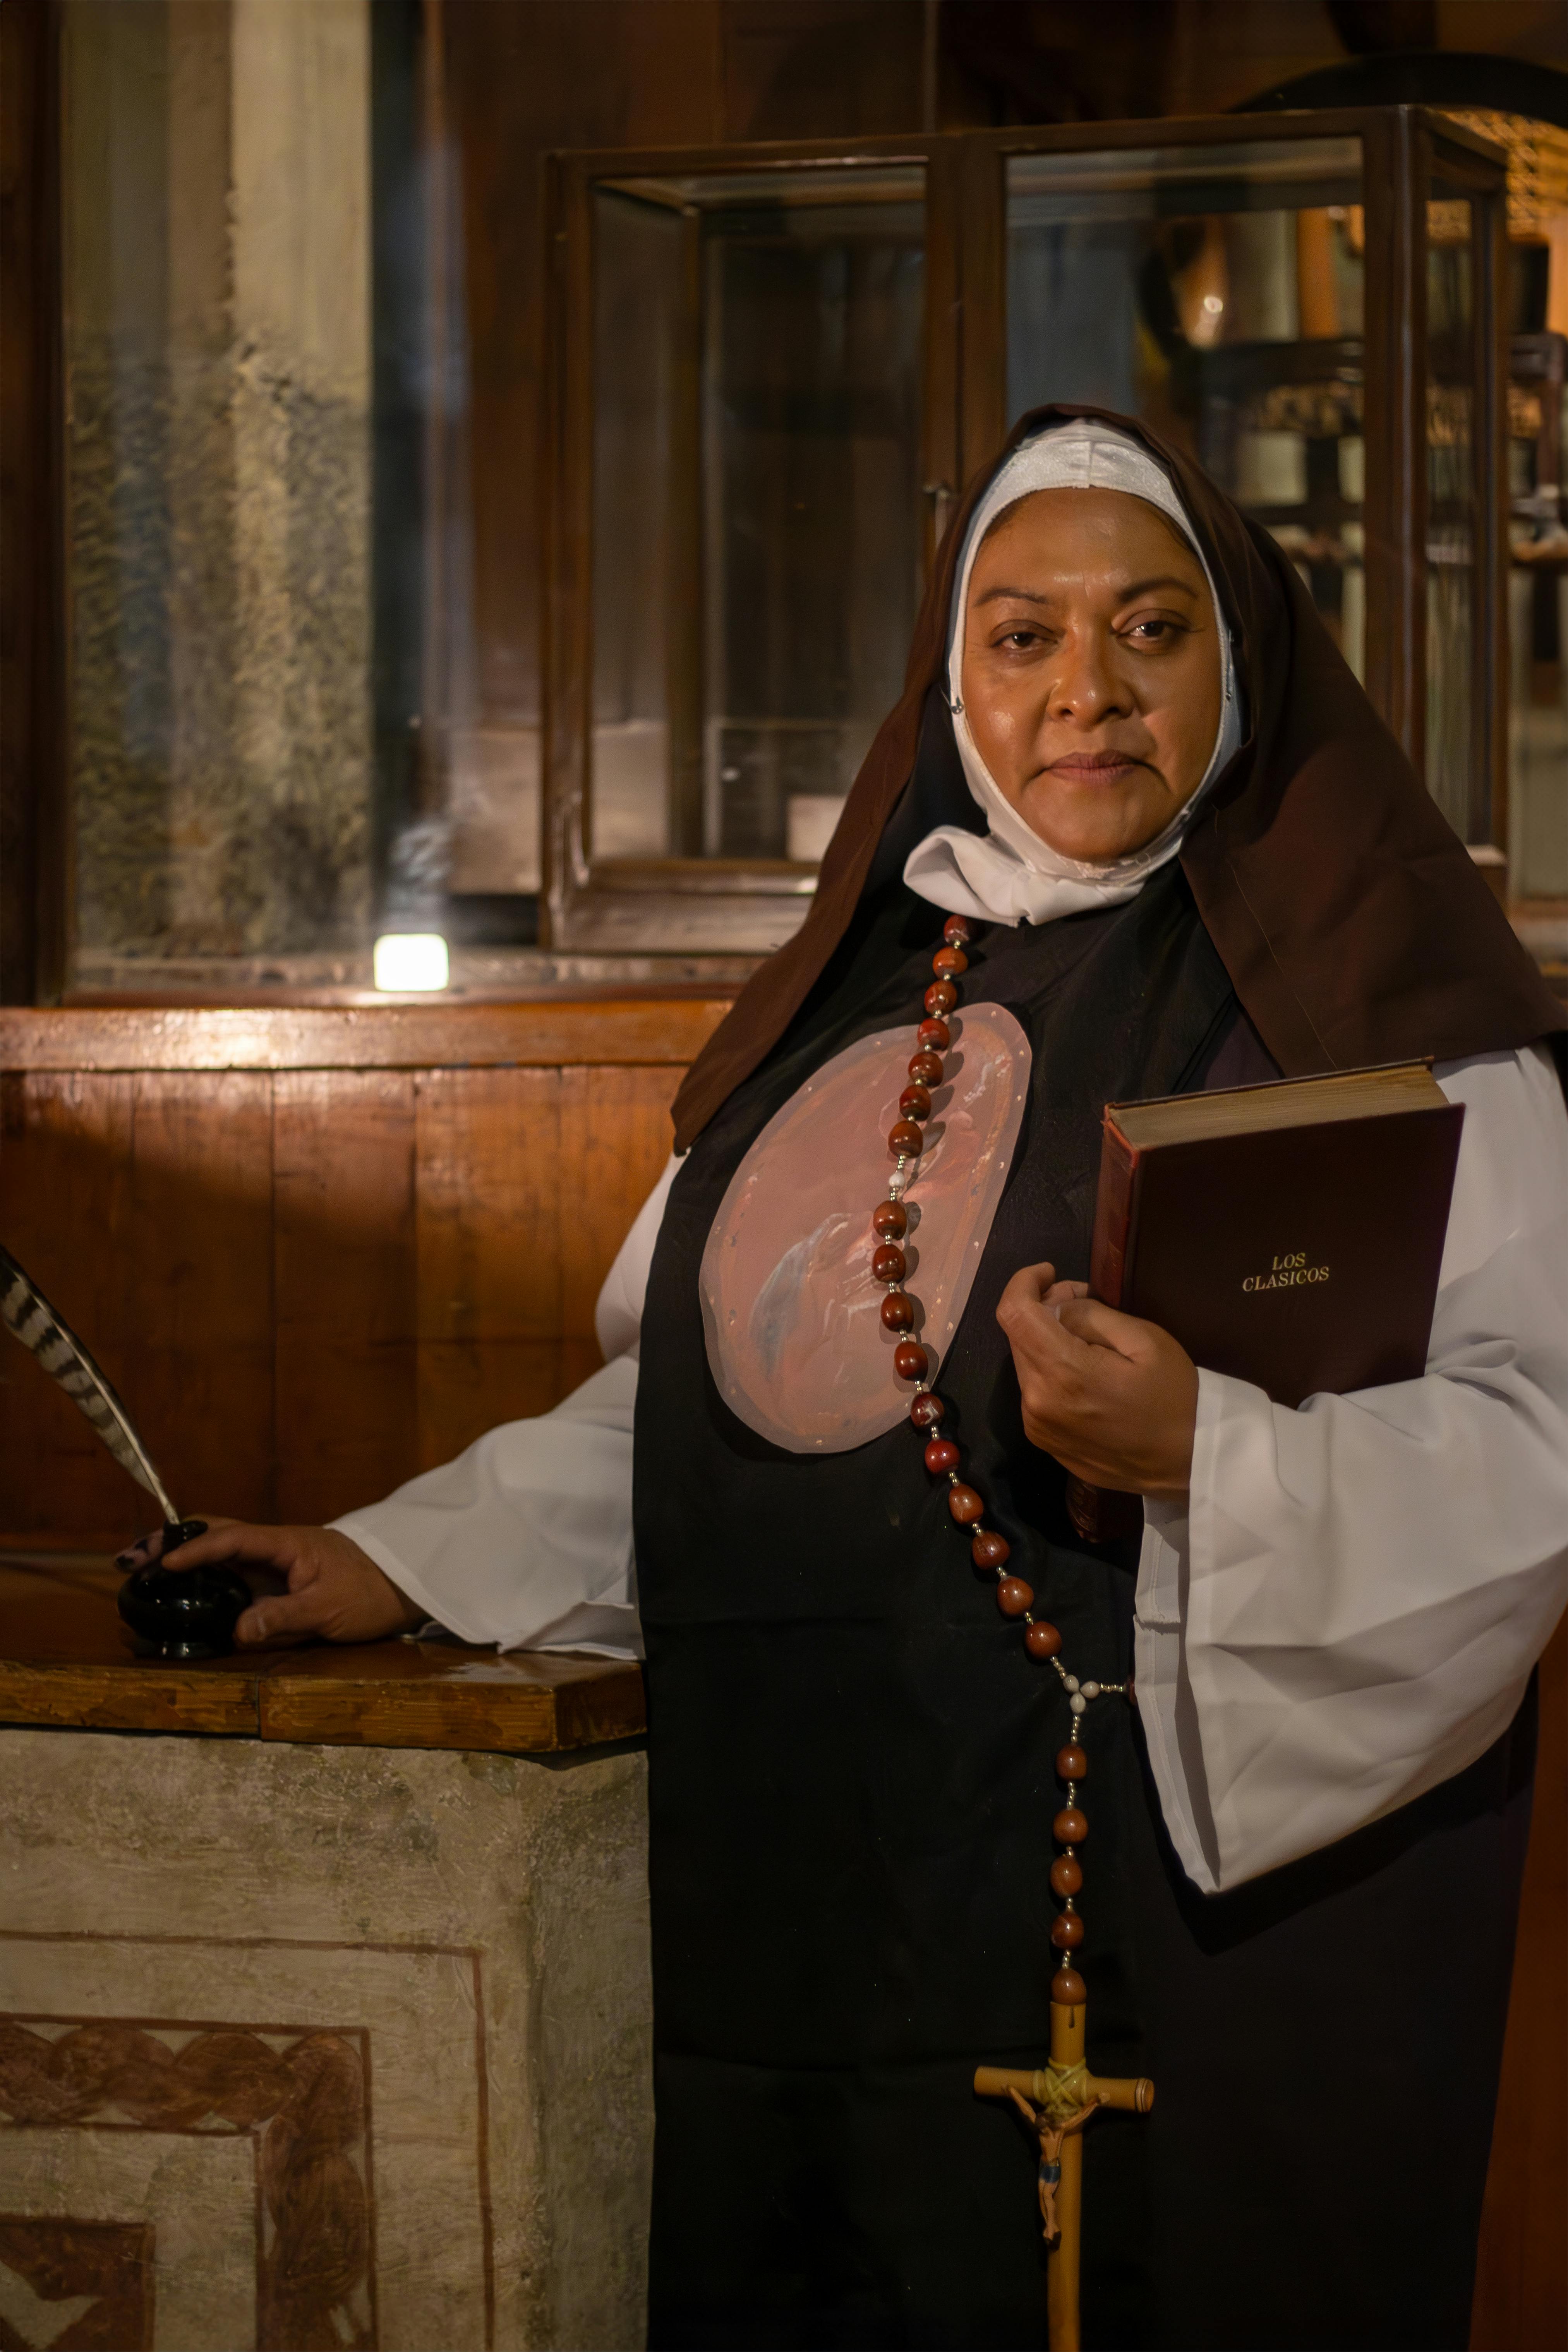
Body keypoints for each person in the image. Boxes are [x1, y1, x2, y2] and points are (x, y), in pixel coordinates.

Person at [143, 410, 1567, 2350]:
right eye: (1020, 635)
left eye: (1148, 630)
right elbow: (695, 1411)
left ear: (1237, 660)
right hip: (829, 1886)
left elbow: (1532, 1447)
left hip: (1186, 1916)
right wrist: (395, 1559)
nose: (1086, 689)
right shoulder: (850, 1003)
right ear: (954, 682)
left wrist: (1209, 1458)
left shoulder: (1389, 1010)